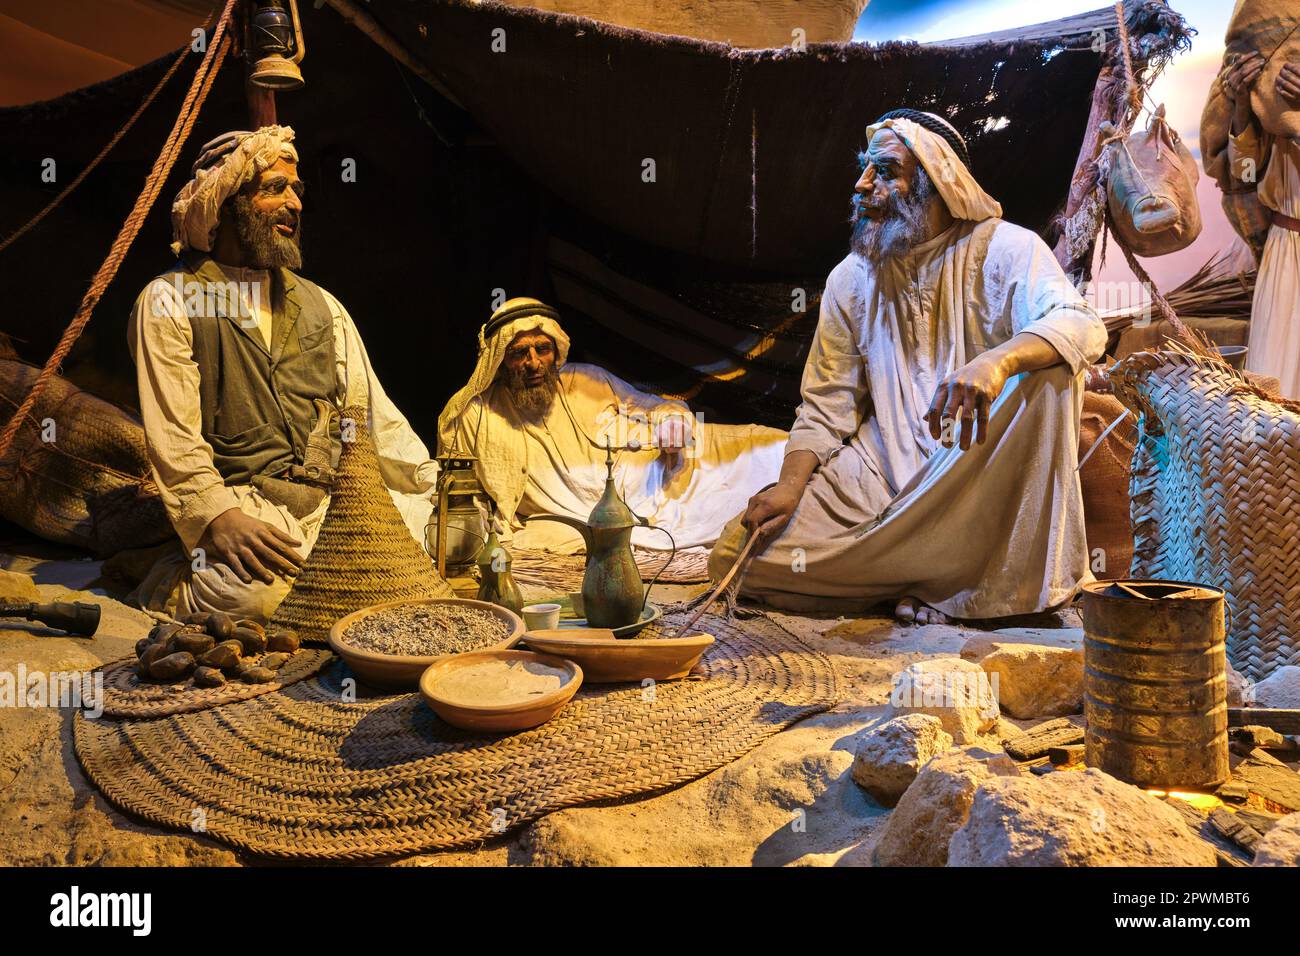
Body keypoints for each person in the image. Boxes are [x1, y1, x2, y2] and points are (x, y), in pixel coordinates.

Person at [708, 109, 1107, 624]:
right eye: (864, 169)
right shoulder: (851, 277)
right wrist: (789, 486)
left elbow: (1083, 325)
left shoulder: (1006, 248)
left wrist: (997, 361)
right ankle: (941, 584)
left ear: (937, 183)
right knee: (737, 558)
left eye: (884, 171)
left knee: (1053, 368)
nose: (862, 184)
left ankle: (928, 581)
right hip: (883, 472)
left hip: (978, 472)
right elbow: (828, 404)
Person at [129, 126, 437, 621]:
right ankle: (169, 580)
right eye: (275, 189)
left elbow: (372, 415)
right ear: (227, 200)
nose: (294, 204)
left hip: (332, 502)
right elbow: (174, 438)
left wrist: (427, 483)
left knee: (444, 537)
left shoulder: (321, 305)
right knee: (256, 597)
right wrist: (218, 516)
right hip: (250, 506)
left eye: (297, 191)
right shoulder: (171, 301)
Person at [437, 297, 788, 553]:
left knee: (772, 448)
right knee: (767, 496)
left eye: (542, 350)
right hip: (641, 506)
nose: (533, 363)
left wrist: (674, 423)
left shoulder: (587, 380)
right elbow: (463, 491)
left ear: (555, 353)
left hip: (677, 466)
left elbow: (657, 407)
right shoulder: (477, 415)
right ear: (499, 361)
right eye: (519, 353)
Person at [1204, 52, 1300, 397]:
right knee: (1277, 382)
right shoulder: (1280, 90)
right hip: (1286, 255)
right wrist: (1244, 106)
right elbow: (1244, 173)